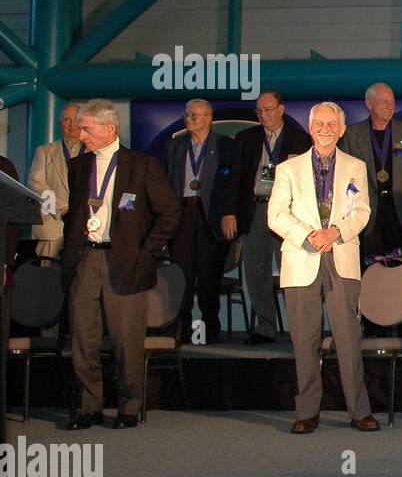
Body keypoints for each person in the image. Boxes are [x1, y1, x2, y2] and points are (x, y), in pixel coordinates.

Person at [63, 100, 181, 430]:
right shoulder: (78, 166)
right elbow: (74, 214)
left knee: (127, 340)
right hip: (85, 260)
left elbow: (171, 211)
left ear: (109, 128)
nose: (80, 133)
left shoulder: (141, 164)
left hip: (126, 262)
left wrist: (147, 250)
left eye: (86, 128)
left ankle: (130, 406)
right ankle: (89, 406)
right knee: (82, 339)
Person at [269, 101, 380, 434]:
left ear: (342, 129)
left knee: (348, 337)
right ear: (310, 127)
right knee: (305, 340)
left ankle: (359, 411)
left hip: (341, 257)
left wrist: (336, 232)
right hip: (302, 258)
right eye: (320, 124)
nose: (326, 129)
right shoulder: (287, 169)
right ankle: (306, 411)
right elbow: (275, 214)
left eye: (333, 124)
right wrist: (309, 236)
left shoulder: (356, 166)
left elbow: (362, 211)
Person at [221, 91, 312, 344]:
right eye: (259, 111)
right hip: (256, 209)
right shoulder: (246, 138)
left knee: (292, 270)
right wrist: (229, 211)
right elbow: (235, 179)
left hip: (288, 213)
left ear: (282, 109)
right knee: (255, 269)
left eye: (269, 110)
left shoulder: (301, 139)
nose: (263, 115)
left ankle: (299, 327)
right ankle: (265, 325)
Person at [339, 82, 402, 267]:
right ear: (369, 104)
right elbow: (343, 178)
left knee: (400, 270)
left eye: (392, 101)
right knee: (369, 270)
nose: (389, 106)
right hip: (366, 215)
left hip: (400, 214)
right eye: (383, 101)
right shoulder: (352, 135)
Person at [165, 98, 233, 343]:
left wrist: (228, 213)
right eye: (187, 115)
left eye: (195, 115)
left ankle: (207, 332)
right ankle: (181, 329)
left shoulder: (225, 145)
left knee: (208, 275)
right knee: (180, 273)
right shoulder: (174, 146)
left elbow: (231, 185)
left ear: (208, 118)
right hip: (182, 213)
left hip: (210, 216)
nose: (189, 119)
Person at [28, 102, 82, 260]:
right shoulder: (44, 151)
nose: (71, 124)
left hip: (86, 226)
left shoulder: (93, 151)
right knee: (48, 279)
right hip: (53, 224)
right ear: (60, 124)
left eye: (75, 119)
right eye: (66, 120)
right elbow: (35, 184)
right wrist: (61, 207)